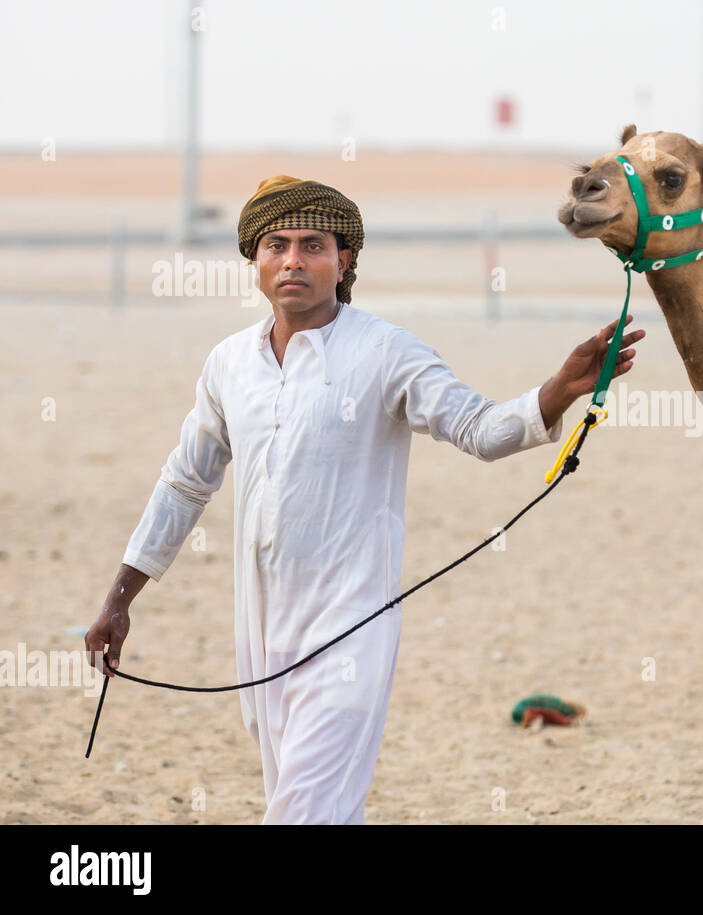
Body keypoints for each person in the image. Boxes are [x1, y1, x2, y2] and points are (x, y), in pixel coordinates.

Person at [84, 175, 643, 823]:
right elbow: (185, 481)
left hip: (351, 626)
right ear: (254, 261)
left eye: (313, 244)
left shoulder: (385, 351)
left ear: (344, 259)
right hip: (260, 628)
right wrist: (119, 600)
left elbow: (480, 430)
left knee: (303, 812)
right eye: (276, 244)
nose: (293, 260)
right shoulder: (229, 363)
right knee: (312, 806)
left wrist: (559, 388)